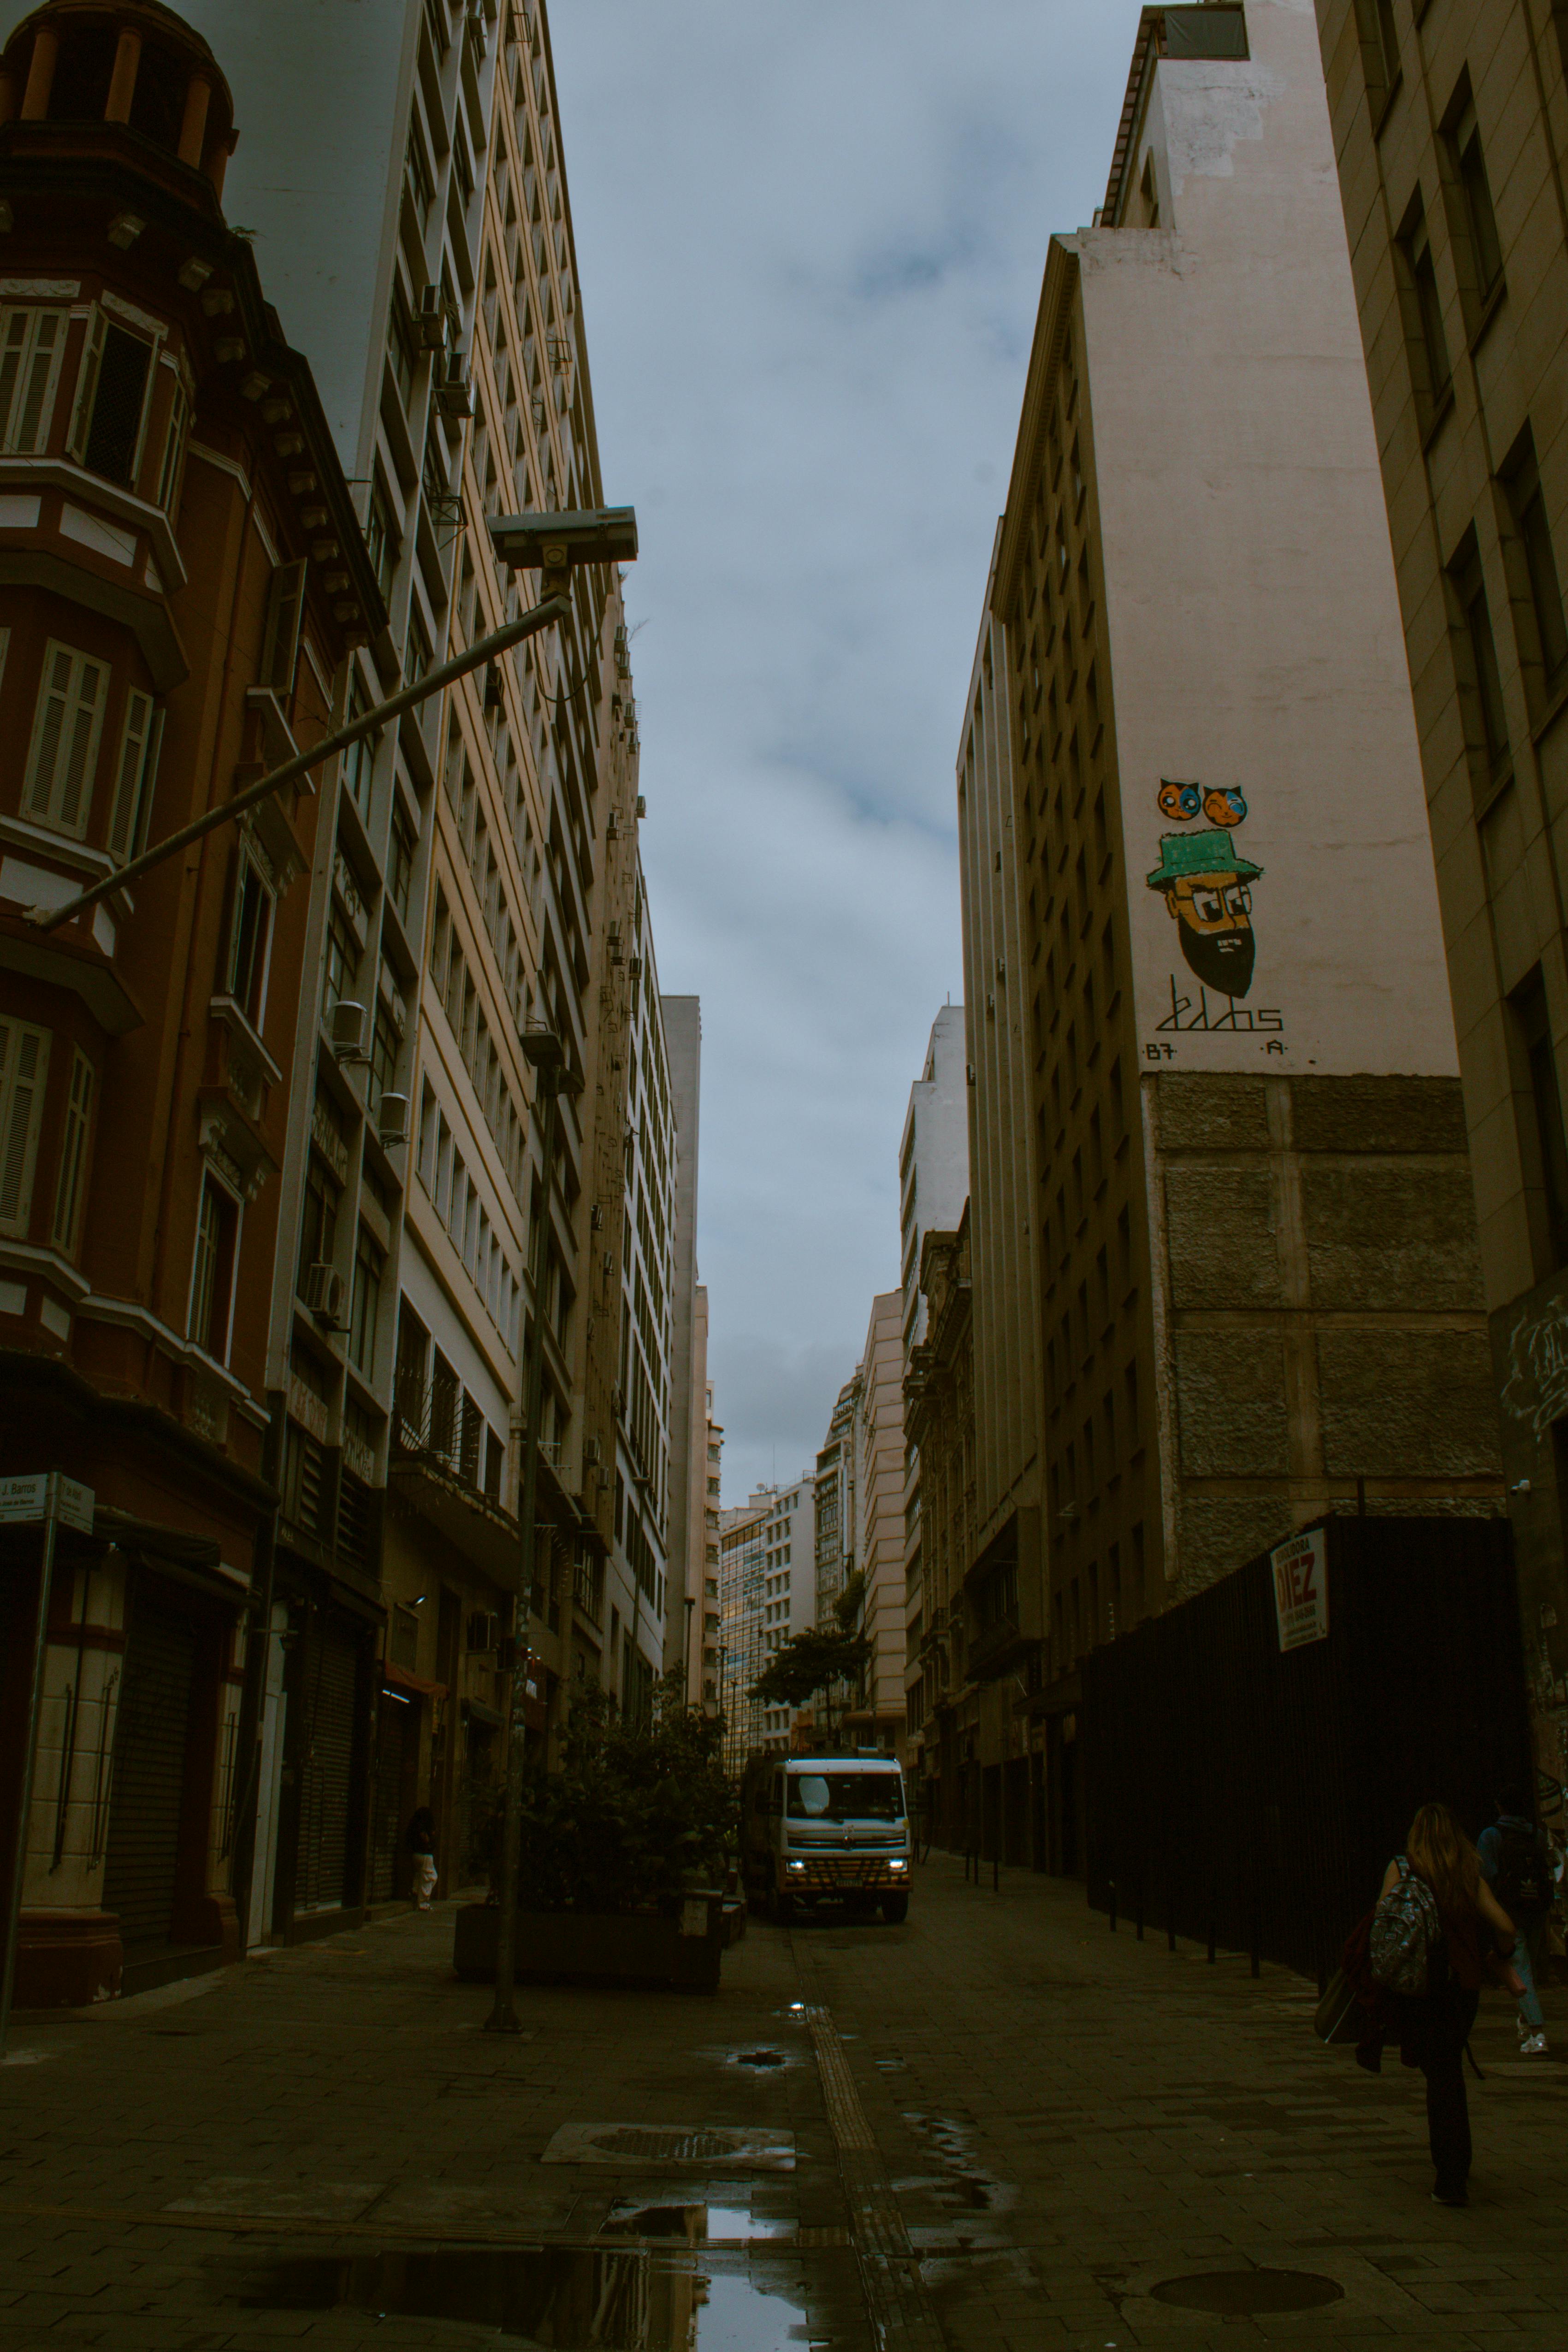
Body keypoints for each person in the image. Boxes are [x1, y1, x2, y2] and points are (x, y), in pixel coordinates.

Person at [1378, 1802, 1518, 2209]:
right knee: (1447, 2068)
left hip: (1420, 1988)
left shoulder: (1401, 1870)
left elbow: (1384, 1925)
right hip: (1462, 1987)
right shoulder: (1466, 1871)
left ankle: (1451, 2176)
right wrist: (1501, 1955)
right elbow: (1505, 1926)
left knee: (1441, 2077)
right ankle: (1458, 2162)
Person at [1477, 1791, 1553, 2055]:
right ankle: (1525, 2020)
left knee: (1521, 1971)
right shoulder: (1536, 1834)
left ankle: (1537, 2032)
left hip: (1510, 1912)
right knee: (1527, 1963)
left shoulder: (1491, 1835)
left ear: (1499, 1805)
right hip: (1536, 1909)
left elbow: (1486, 1873)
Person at [407, 1807, 438, 1911]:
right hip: (426, 1855)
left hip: (416, 1855)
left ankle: (415, 1890)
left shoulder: (414, 1825)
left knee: (421, 1875)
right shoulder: (425, 1827)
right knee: (430, 1877)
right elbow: (426, 1839)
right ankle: (423, 1903)